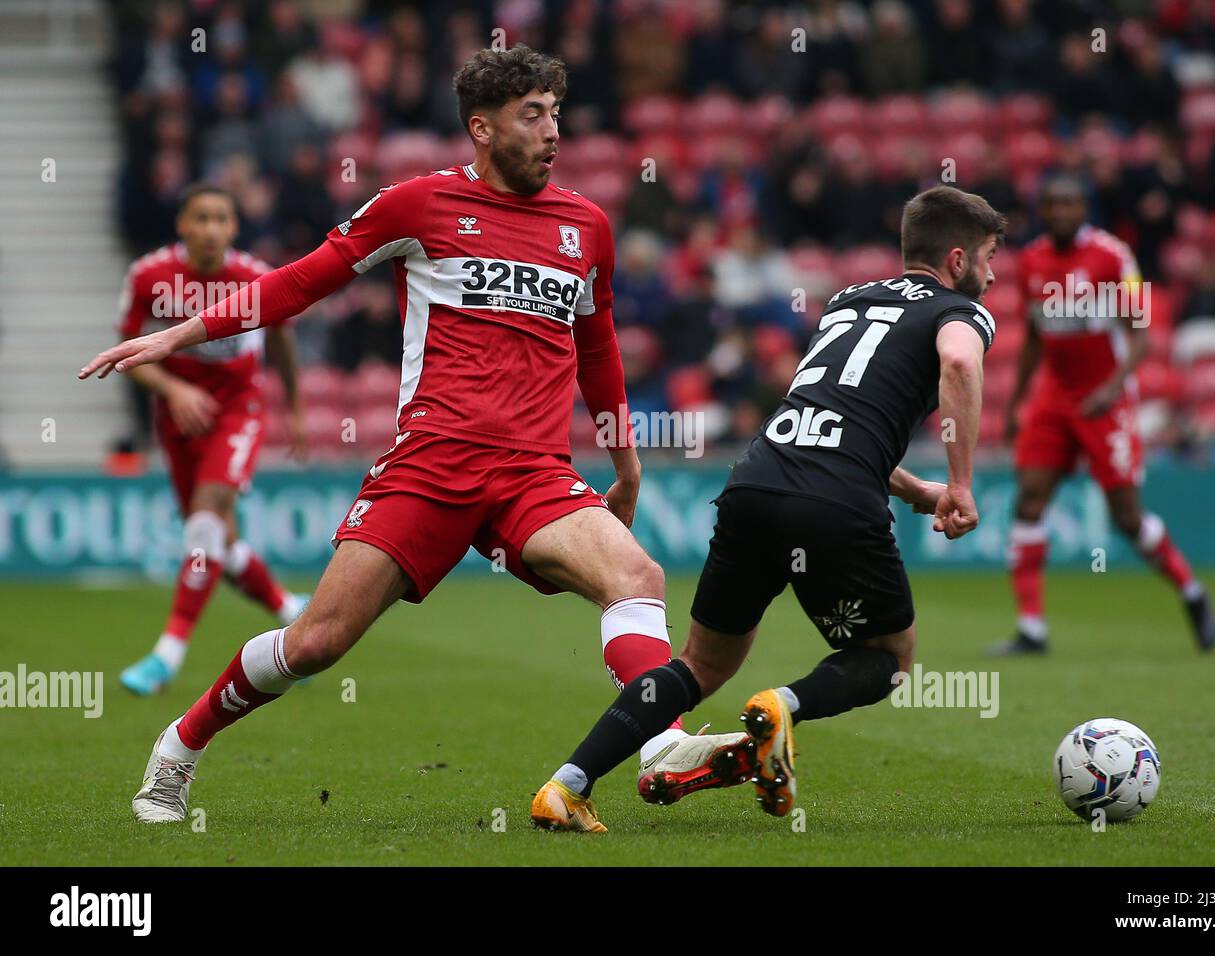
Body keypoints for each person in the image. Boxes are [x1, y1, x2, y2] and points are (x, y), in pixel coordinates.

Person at [81, 46, 751, 827]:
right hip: (430, 466)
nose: (552, 132)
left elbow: (596, 349)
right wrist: (177, 338)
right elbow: (299, 281)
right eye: (531, 115)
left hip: (533, 472)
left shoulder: (587, 227)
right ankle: (180, 743)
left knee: (636, 577)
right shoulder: (417, 206)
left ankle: (661, 742)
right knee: (317, 643)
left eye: (556, 114)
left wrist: (626, 462)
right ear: (482, 127)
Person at [532, 186, 1004, 830]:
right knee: (887, 658)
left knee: (698, 665)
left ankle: (567, 785)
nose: (993, 273)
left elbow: (828, 413)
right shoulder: (963, 313)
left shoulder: (849, 301)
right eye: (988, 257)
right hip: (834, 502)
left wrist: (917, 489)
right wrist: (961, 481)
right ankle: (782, 705)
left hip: (756, 480)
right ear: (957, 260)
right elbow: (958, 364)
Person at [996, 173, 1215, 656]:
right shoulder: (1031, 261)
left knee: (1127, 517)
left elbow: (1140, 334)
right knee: (1029, 500)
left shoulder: (1112, 256)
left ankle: (1191, 591)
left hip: (1105, 399)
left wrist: (1111, 388)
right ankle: (1031, 628)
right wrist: (1017, 402)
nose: (1059, 212)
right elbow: (1035, 337)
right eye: (1051, 203)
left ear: (1085, 208)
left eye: (1069, 203)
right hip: (1054, 399)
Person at [116, 183, 308, 695]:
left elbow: (282, 338)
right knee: (216, 543)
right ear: (181, 225)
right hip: (177, 418)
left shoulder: (253, 277)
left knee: (204, 523)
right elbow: (126, 353)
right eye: (200, 218)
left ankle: (166, 655)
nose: (210, 229)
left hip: (237, 410)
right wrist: (173, 388)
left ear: (234, 227)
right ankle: (293, 614)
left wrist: (292, 405)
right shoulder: (149, 276)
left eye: (221, 219)